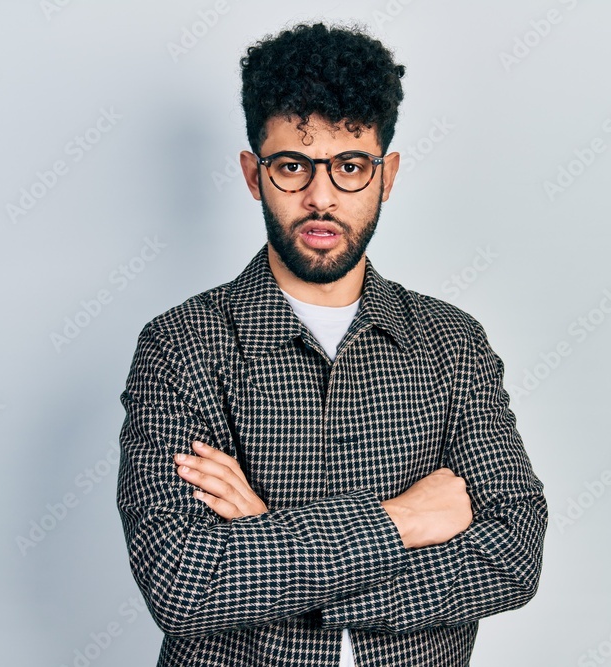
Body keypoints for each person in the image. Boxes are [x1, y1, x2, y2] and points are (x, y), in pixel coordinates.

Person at [116, 21, 548, 667]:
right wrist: (401, 521)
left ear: (387, 174)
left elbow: (511, 556)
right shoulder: (181, 346)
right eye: (292, 165)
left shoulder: (453, 344)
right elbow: (183, 582)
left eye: (350, 166)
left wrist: (267, 538)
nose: (321, 198)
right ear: (253, 173)